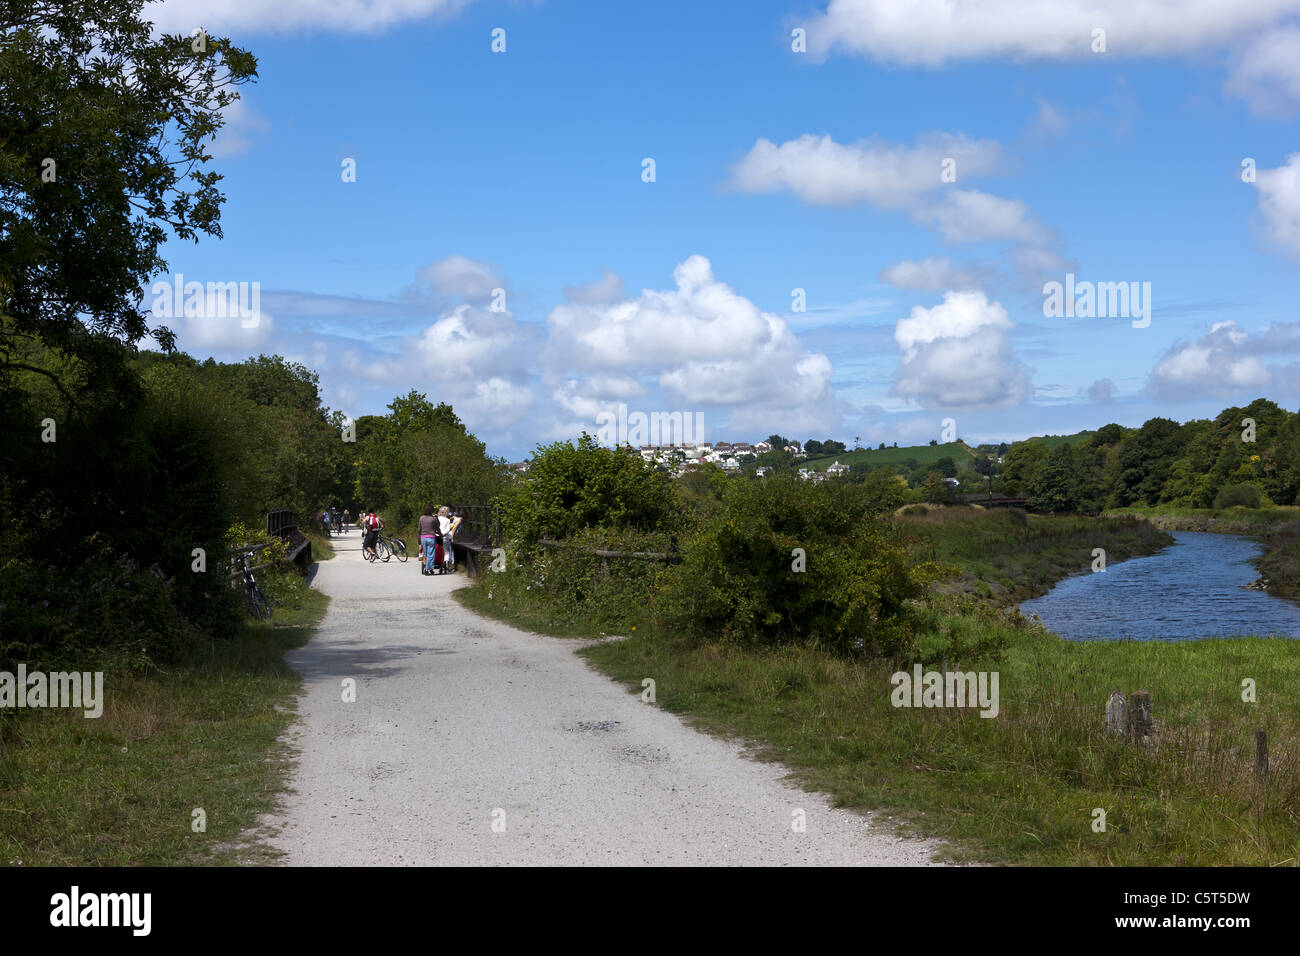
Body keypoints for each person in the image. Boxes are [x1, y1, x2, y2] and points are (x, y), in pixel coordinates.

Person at [437, 506, 461, 572]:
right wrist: (443, 534)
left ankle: (438, 562)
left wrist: (438, 534)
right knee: (446, 552)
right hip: (445, 537)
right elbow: (447, 530)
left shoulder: (436, 519)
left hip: (436, 537)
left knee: (437, 550)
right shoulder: (447, 520)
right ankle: (446, 564)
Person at [417, 505, 439, 576]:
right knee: (431, 555)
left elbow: (419, 530)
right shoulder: (433, 519)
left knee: (426, 555)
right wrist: (441, 534)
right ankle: (428, 569)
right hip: (431, 537)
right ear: (431, 511)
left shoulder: (421, 518)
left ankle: (429, 569)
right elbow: (437, 528)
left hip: (423, 538)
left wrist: (419, 541)